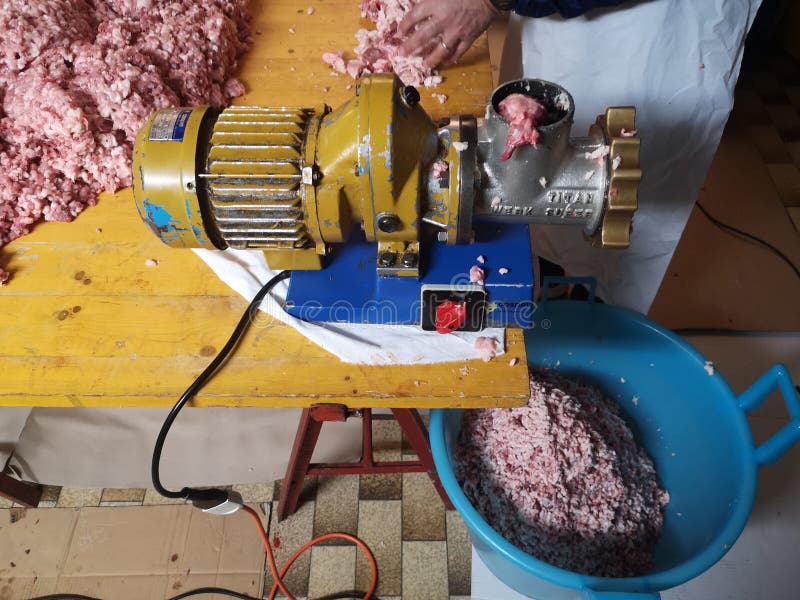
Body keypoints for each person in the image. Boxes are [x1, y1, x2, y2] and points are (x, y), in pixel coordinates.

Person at [400, 0, 762, 314]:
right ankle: (545, 289)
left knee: (629, 214)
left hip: (660, 34)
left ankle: (594, 323)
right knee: (534, 232)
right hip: (562, 27)